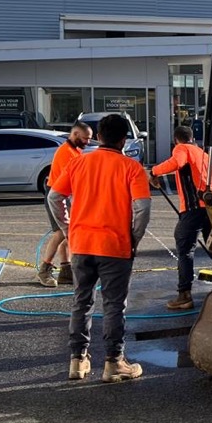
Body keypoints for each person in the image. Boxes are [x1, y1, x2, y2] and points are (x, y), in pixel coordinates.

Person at [49, 113, 150, 382]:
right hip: (114, 247)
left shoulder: (79, 163)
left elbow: (54, 196)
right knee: (114, 305)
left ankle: (78, 361)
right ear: (123, 140)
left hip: (81, 245)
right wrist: (133, 239)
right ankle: (114, 362)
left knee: (81, 302)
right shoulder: (131, 167)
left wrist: (68, 228)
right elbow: (142, 209)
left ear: (100, 137)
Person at [150, 124, 212, 310]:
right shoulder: (204, 154)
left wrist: (154, 171)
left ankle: (184, 294)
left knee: (185, 248)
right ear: (192, 138)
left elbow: (177, 163)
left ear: (176, 139)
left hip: (194, 206)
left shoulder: (182, 149)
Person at [37, 121, 93, 287]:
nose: (87, 142)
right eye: (85, 138)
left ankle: (66, 271)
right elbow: (73, 182)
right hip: (56, 196)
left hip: (63, 196)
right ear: (75, 134)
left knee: (65, 232)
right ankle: (44, 270)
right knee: (62, 233)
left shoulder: (75, 151)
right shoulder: (66, 153)